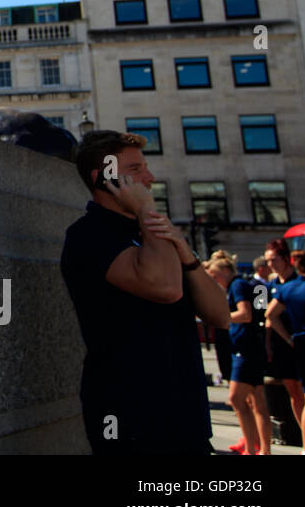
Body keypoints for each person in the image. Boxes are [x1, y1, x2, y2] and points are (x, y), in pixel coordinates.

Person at [60, 130, 230, 455]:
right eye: (136, 170)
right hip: (129, 415)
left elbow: (220, 316)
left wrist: (188, 256)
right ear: (104, 177)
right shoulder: (88, 235)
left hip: (185, 412)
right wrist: (148, 212)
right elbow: (165, 288)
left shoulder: (154, 234)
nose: (149, 178)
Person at [205, 251, 271, 454]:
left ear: (225, 271)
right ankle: (256, 447)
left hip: (246, 349)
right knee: (254, 399)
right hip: (247, 347)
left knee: (238, 398)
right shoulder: (238, 284)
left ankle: (256, 448)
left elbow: (245, 314)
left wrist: (221, 317)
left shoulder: (237, 285)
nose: (215, 281)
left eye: (215, 277)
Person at [265, 251, 305, 454]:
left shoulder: (286, 286)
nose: (270, 264)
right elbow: (263, 315)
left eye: (273, 259)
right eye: (267, 261)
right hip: (291, 348)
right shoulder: (267, 286)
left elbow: (267, 315)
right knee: (297, 395)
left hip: (298, 346)